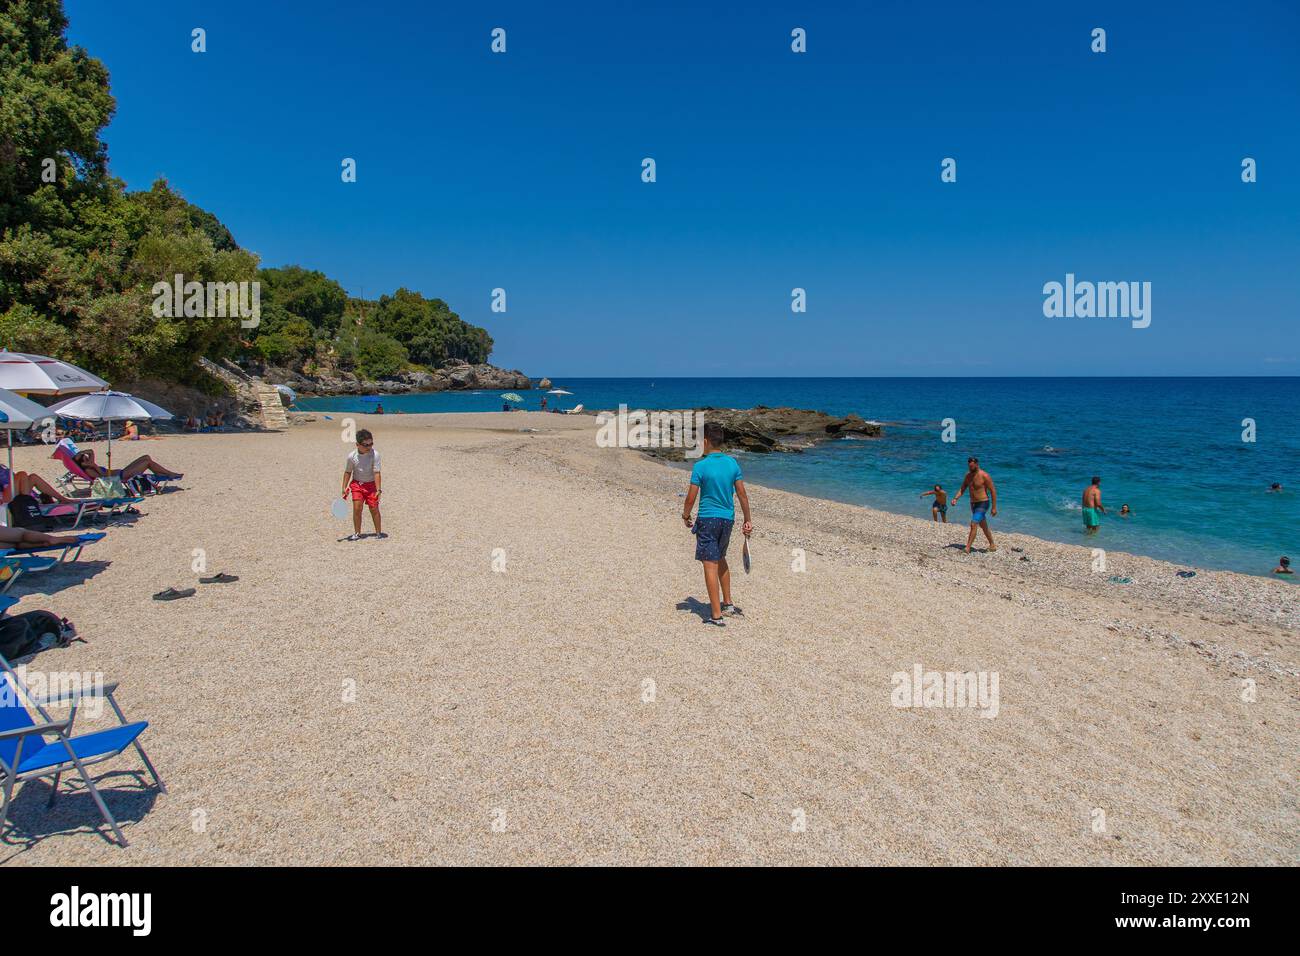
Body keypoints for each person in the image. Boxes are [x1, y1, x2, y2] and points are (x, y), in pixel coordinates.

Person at [681, 422, 752, 626]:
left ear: (705, 442)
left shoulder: (701, 466)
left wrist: (685, 516)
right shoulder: (732, 464)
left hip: (707, 519)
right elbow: (742, 495)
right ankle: (728, 603)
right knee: (720, 558)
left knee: (709, 564)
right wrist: (748, 520)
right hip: (727, 520)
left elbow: (690, 498)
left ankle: (716, 615)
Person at [341, 428, 383, 541]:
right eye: (366, 445)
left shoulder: (375, 455)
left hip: (371, 485)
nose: (369, 447)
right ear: (357, 445)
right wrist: (344, 487)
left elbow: (377, 473)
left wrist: (378, 490)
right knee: (357, 508)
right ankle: (357, 533)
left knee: (374, 508)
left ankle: (378, 532)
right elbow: (348, 472)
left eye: (371, 444)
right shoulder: (351, 456)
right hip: (357, 485)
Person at [949, 456, 997, 553]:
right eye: (969, 467)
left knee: (973, 523)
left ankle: (967, 548)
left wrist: (994, 507)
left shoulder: (984, 475)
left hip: (983, 502)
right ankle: (992, 545)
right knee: (983, 526)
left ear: (977, 465)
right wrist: (955, 498)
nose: (970, 468)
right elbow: (962, 488)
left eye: (972, 466)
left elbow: (993, 491)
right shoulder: (968, 476)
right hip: (973, 504)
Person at [73, 449, 181, 482]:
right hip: (120, 477)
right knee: (147, 462)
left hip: (122, 472)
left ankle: (160, 472)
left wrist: (81, 453)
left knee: (146, 456)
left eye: (84, 455)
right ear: (81, 462)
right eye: (82, 457)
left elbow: (91, 451)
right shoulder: (88, 469)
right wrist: (95, 466)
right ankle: (170, 473)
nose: (85, 457)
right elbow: (104, 478)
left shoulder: (89, 464)